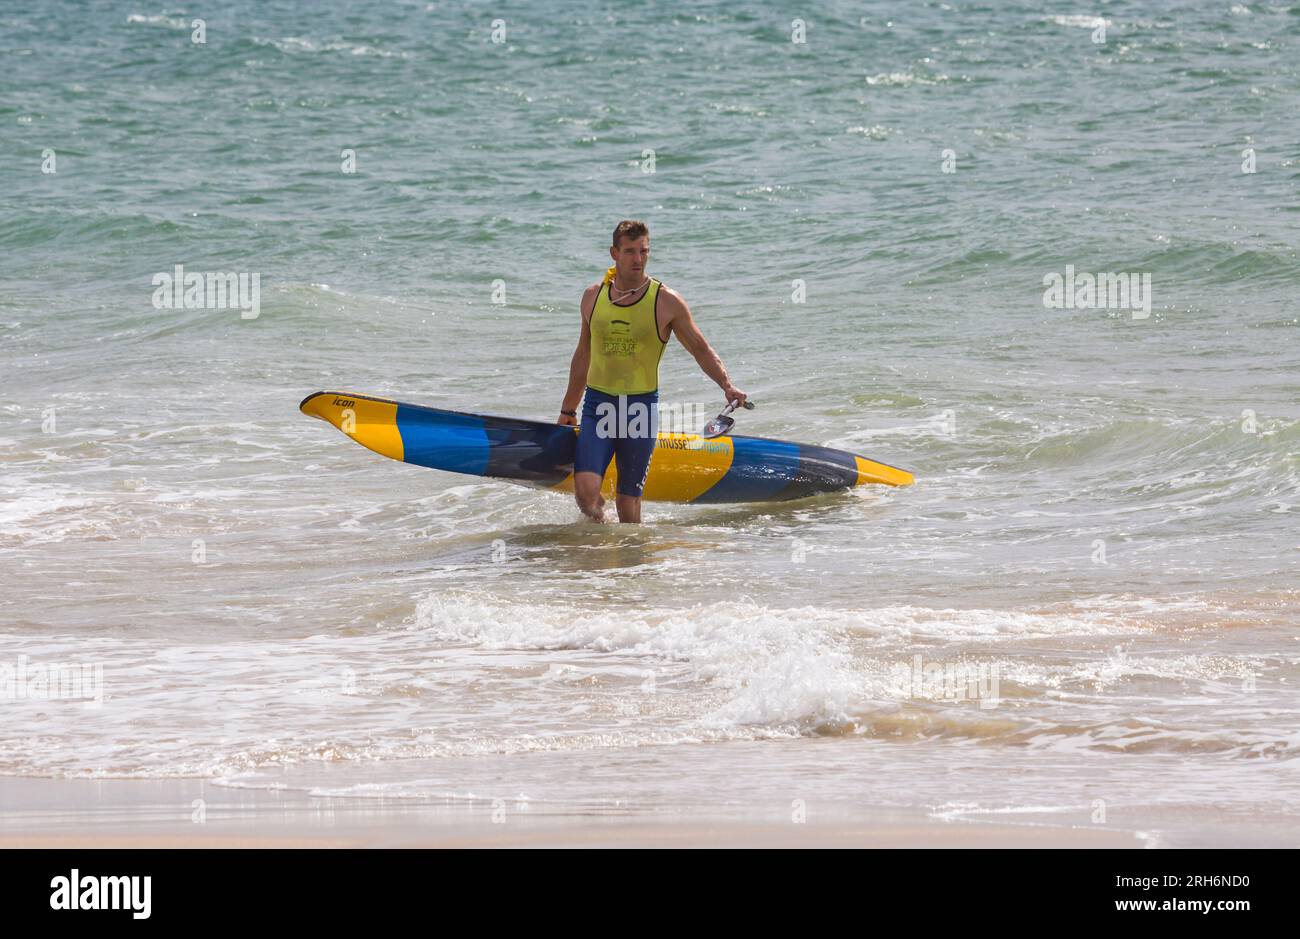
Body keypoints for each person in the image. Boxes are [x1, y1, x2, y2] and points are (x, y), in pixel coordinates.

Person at [558, 220, 747, 523]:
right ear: (614, 253)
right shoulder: (592, 297)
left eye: (644, 251)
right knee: (586, 492)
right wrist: (569, 408)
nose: (638, 259)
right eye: (630, 251)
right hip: (598, 405)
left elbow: (700, 348)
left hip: (640, 408)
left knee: (628, 500)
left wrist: (727, 385)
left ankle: (631, 563)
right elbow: (583, 355)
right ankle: (599, 545)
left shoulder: (666, 301)